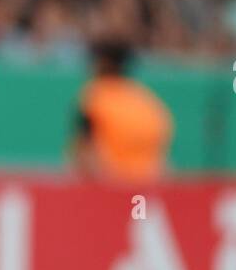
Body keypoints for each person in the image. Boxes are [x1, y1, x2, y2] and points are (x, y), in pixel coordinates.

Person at [70, 40, 173, 183]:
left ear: (103, 62)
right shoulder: (147, 100)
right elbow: (163, 158)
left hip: (111, 186)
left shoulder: (95, 96)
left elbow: (84, 150)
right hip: (149, 187)